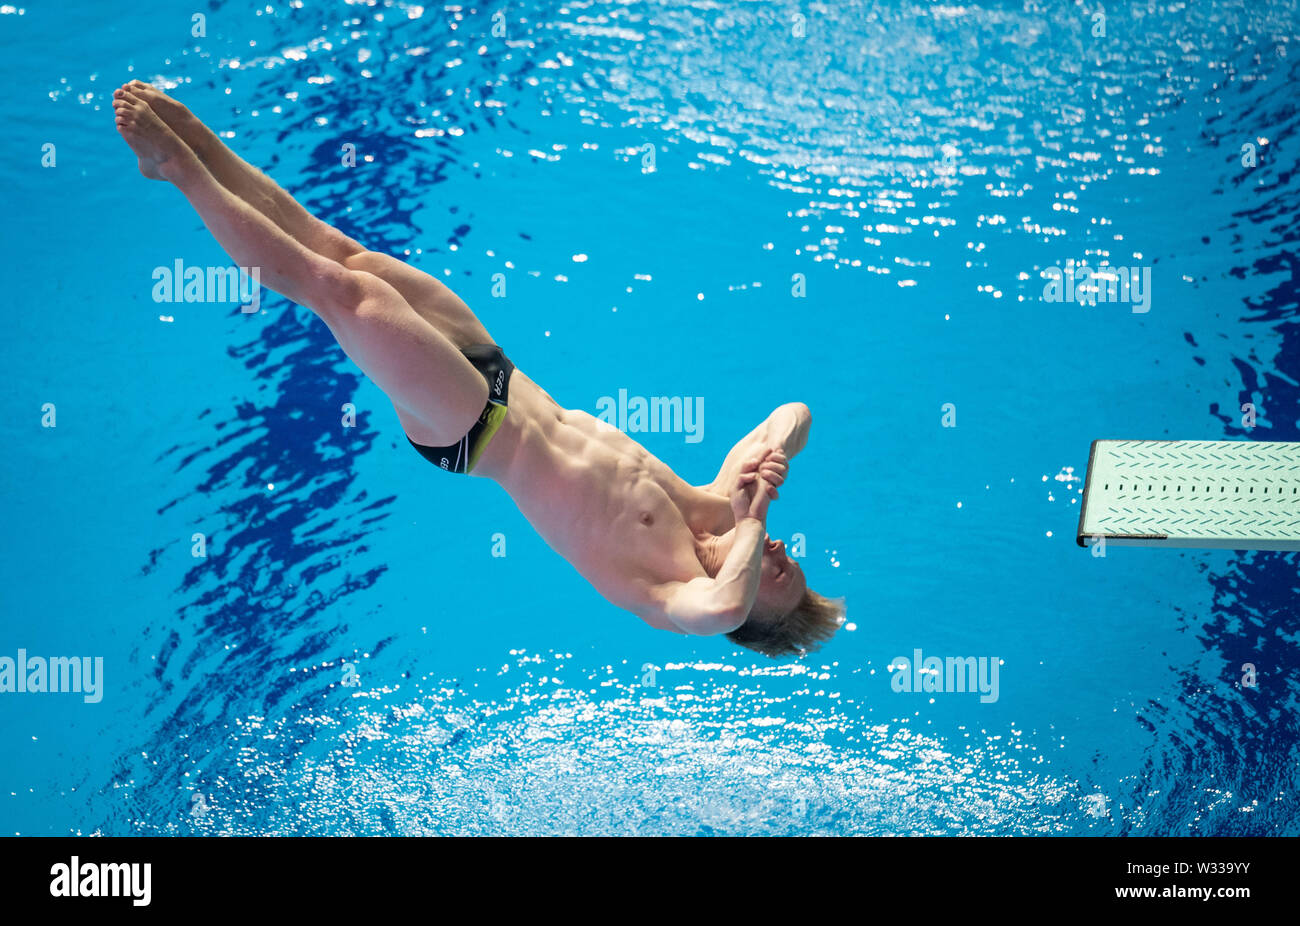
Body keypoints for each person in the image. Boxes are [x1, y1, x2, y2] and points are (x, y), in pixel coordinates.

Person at [112, 81, 844, 657]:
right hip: (498, 370)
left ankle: (176, 171)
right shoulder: (716, 505)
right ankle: (199, 143)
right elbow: (795, 414)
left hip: (474, 428)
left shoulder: (672, 592)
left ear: (752, 602)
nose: (780, 554)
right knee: (338, 250)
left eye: (779, 576)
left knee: (333, 291)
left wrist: (751, 525)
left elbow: (719, 612)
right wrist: (774, 459)